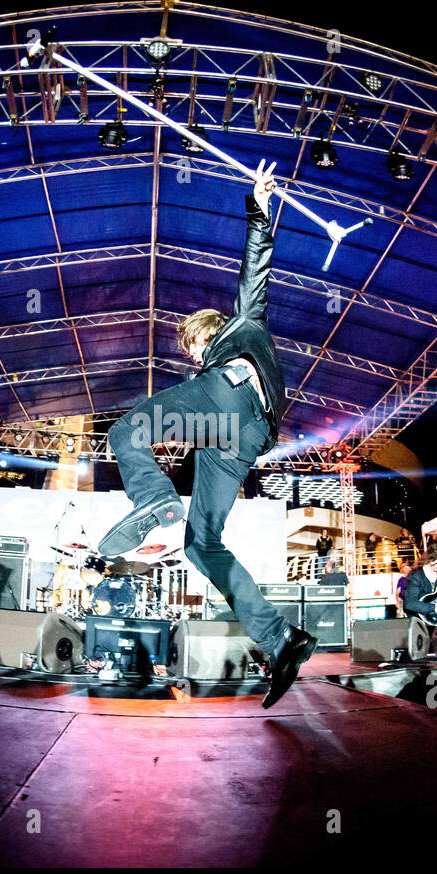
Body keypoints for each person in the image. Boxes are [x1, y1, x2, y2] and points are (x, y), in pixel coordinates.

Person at [98, 159, 316, 708]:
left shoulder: (240, 328)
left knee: (126, 431)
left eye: (191, 350)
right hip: (244, 439)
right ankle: (280, 638)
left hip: (229, 395)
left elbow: (254, 276)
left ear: (202, 337)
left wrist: (259, 211)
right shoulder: (245, 343)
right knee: (202, 544)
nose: (190, 358)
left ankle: (155, 499)